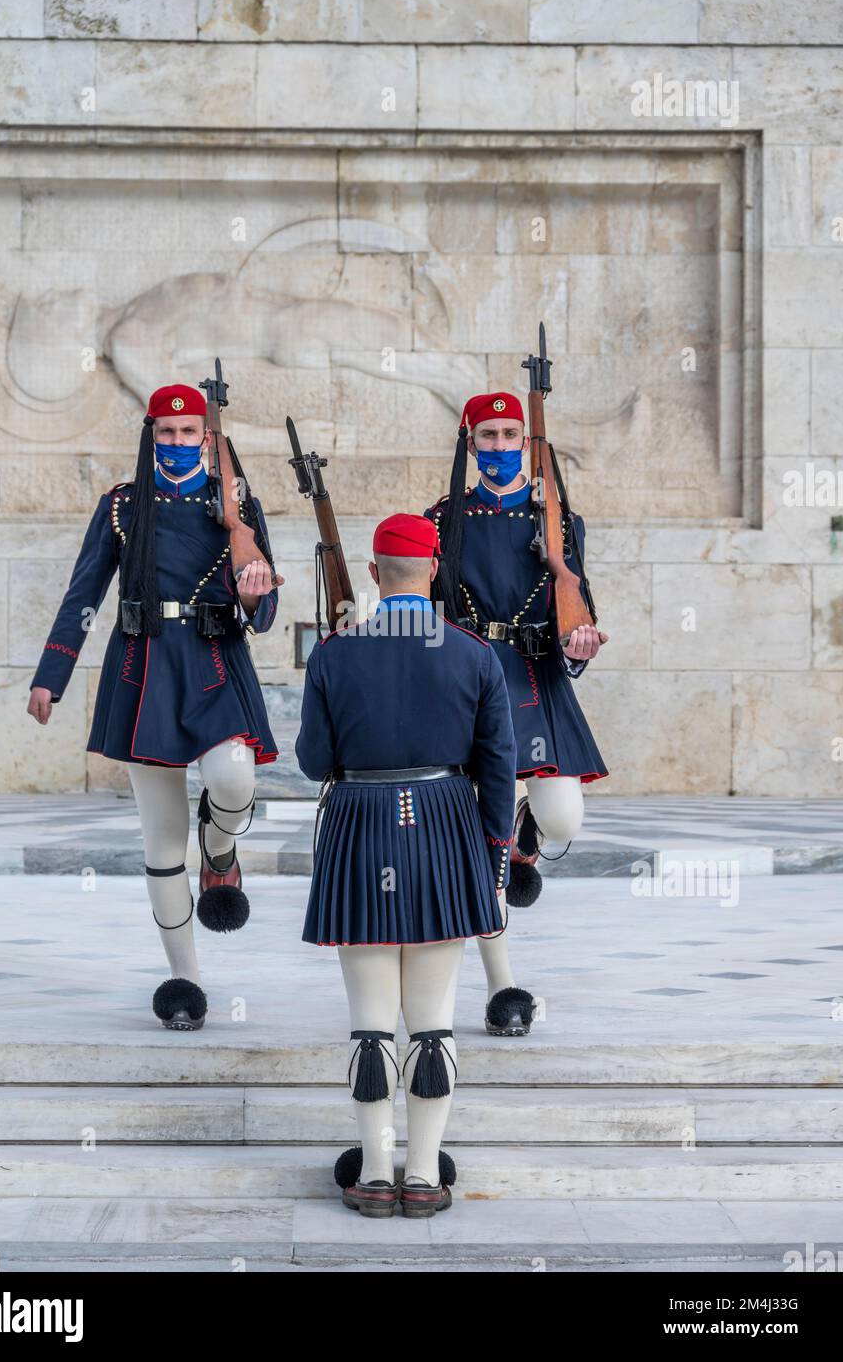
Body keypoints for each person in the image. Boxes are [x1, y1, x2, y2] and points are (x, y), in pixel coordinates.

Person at [26, 383, 280, 1031]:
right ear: (150, 434)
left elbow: (267, 609)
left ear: (207, 437)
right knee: (162, 839)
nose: (174, 443)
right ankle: (185, 980)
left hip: (215, 658)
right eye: (164, 433)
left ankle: (220, 853)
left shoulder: (237, 503)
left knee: (234, 782)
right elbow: (85, 590)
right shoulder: (122, 507)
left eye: (187, 432)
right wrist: (52, 673)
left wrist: (253, 594)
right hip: (144, 666)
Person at [296, 513, 516, 1218]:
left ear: (372, 575)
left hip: (362, 825)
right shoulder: (474, 654)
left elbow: (312, 762)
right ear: (434, 569)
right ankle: (421, 1176)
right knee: (433, 1020)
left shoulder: (334, 654)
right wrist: (491, 855)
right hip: (444, 824)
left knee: (369, 1022)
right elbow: (498, 766)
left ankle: (370, 1170)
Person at [425, 391, 609, 1037]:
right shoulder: (444, 517)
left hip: (539, 680)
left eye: (511, 435)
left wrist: (580, 646)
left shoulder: (560, 521)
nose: (500, 448)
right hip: (472, 686)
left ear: (528, 444)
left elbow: (577, 610)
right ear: (469, 441)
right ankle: (503, 987)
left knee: (564, 820)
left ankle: (529, 832)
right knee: (485, 845)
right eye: (489, 436)